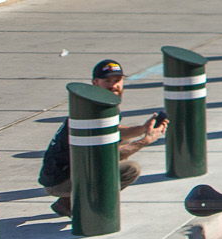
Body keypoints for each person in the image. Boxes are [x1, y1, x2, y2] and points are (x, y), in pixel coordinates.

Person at [38, 59, 165, 216]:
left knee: (123, 140)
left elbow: (112, 131)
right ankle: (88, 209)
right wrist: (146, 140)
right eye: (107, 81)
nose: (114, 85)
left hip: (73, 170)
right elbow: (107, 158)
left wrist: (142, 129)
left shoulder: (102, 104)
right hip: (59, 181)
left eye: (117, 80)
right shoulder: (92, 112)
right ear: (95, 82)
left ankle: (68, 203)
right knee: (130, 170)